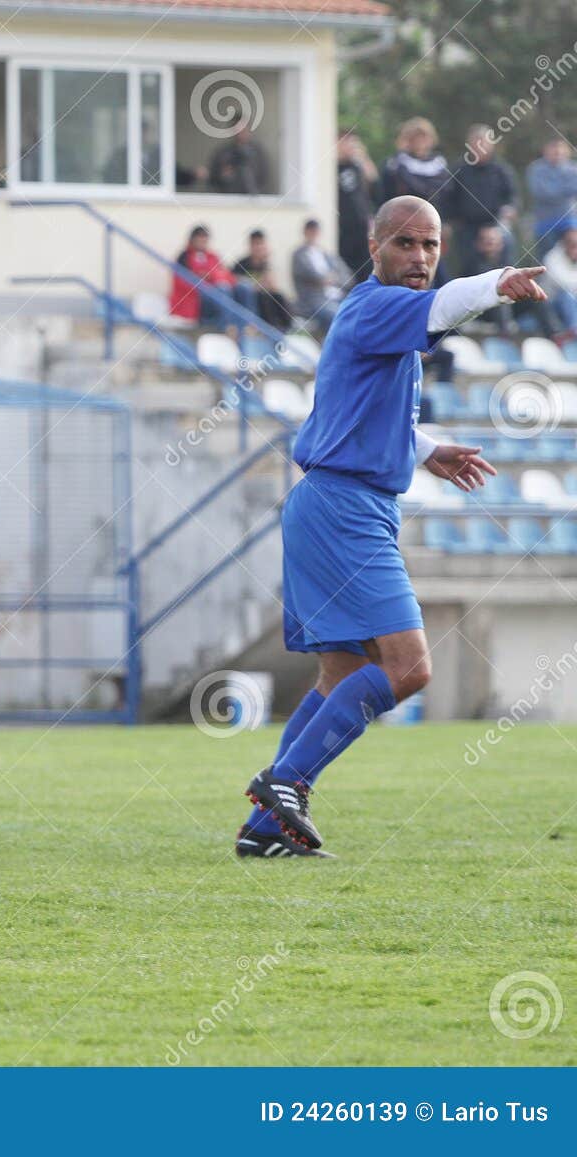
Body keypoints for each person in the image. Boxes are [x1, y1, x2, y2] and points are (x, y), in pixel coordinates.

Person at [234, 195, 545, 858]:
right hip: (346, 509)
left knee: (341, 673)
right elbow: (446, 305)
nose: (421, 257)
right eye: (406, 243)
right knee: (409, 669)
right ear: (373, 249)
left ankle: (265, 828)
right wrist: (495, 283)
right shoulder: (377, 305)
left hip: (331, 502)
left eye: (431, 245)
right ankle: (286, 779)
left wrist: (429, 450)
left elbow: (365, 415)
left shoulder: (375, 323)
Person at [442, 125, 517, 276]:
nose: (480, 145)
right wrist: (448, 222)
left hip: (497, 223)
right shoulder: (459, 170)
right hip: (467, 227)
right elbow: (448, 200)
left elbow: (512, 198)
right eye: (476, 141)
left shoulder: (502, 170)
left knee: (506, 246)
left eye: (483, 141)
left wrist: (508, 212)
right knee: (467, 263)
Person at [168, 225, 242, 328]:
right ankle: (228, 327)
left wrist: (212, 276)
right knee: (222, 290)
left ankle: (247, 325)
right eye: (200, 238)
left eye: (205, 239)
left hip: (213, 293)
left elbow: (225, 275)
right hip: (196, 298)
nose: (203, 242)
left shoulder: (212, 257)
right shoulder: (184, 257)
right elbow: (182, 283)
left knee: (242, 288)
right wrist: (202, 279)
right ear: (192, 239)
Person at [291, 218, 351, 335]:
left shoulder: (326, 254)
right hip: (315, 300)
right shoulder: (299, 255)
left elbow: (346, 275)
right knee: (337, 316)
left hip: (338, 295)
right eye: (310, 231)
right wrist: (324, 279)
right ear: (305, 232)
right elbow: (308, 274)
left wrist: (335, 279)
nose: (313, 234)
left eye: (315, 231)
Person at [230, 229, 294, 331]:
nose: (258, 247)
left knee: (278, 296)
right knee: (264, 297)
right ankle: (270, 328)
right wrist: (259, 285)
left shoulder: (265, 264)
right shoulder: (241, 264)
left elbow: (273, 286)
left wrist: (266, 263)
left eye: (261, 244)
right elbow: (237, 283)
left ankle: (288, 327)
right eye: (256, 244)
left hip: (263, 293)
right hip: (252, 298)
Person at [378, 118, 450, 207]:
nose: (419, 142)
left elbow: (442, 191)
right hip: (403, 210)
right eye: (414, 138)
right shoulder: (395, 162)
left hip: (433, 211)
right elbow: (386, 189)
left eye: (423, 137)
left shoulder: (438, 163)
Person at [335, 128, 377, 278]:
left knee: (366, 267)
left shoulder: (356, 166)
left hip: (362, 226)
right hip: (343, 227)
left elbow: (373, 178)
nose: (351, 147)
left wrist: (362, 156)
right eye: (347, 142)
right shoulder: (332, 167)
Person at [526, 137, 577, 259]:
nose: (557, 152)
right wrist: (564, 191)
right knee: (547, 260)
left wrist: (552, 190)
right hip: (545, 223)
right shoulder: (535, 169)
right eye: (553, 148)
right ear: (545, 150)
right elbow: (540, 193)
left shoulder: (573, 169)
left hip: (569, 221)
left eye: (560, 148)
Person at [206, 119, 270, 195]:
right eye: (238, 131)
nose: (241, 133)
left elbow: (263, 178)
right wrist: (223, 175)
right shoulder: (224, 153)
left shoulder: (257, 154)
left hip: (252, 200)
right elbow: (212, 178)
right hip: (228, 199)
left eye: (244, 130)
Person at [541, 226, 577, 337]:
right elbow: (565, 285)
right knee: (568, 296)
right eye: (571, 244)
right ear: (563, 243)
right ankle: (574, 332)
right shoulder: (551, 258)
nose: (575, 248)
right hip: (553, 305)